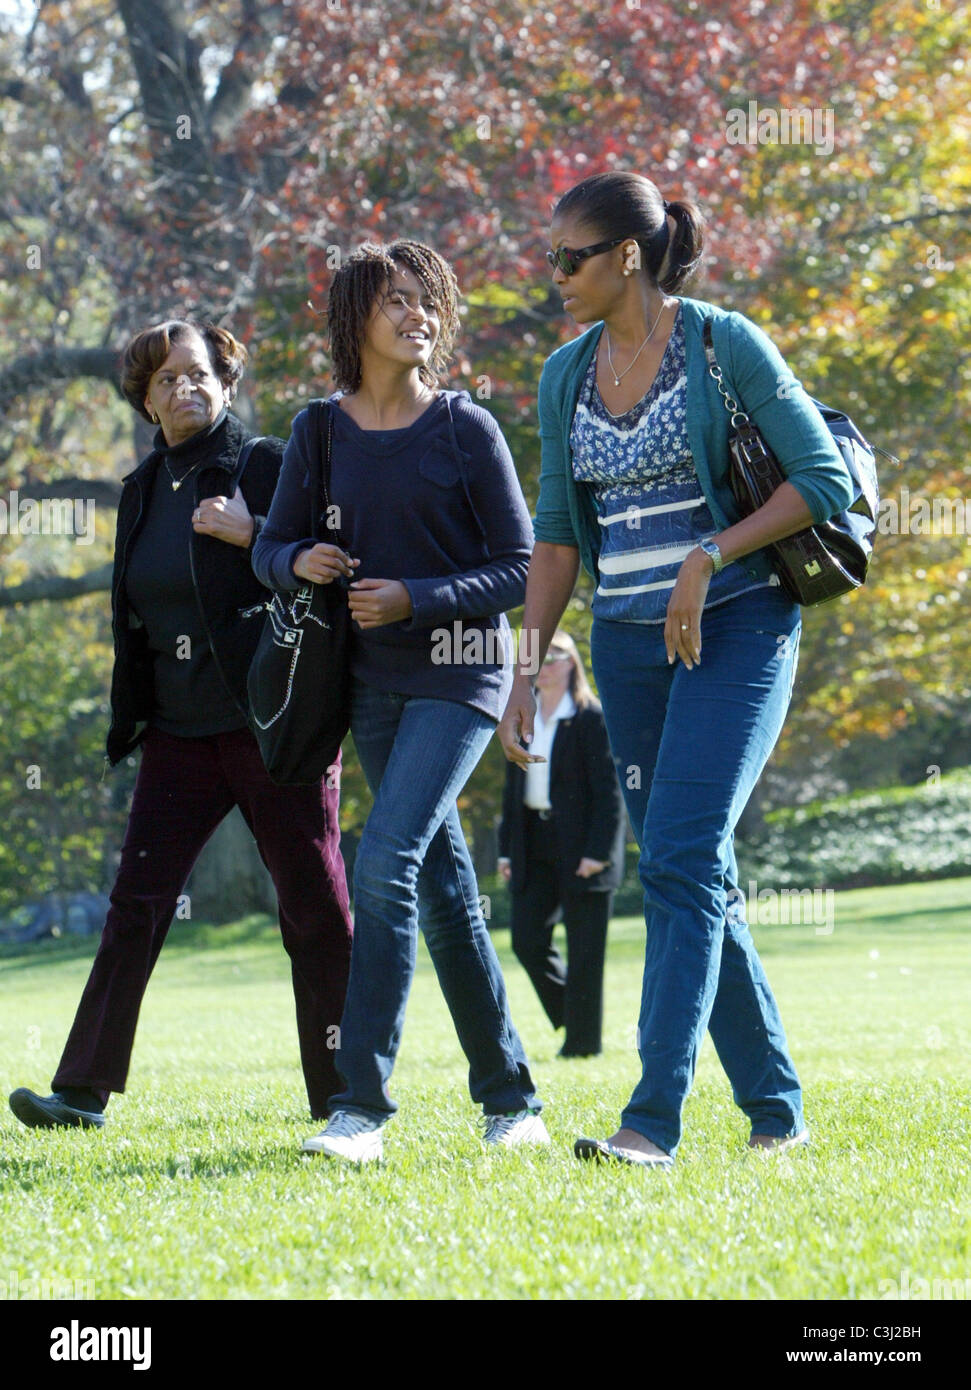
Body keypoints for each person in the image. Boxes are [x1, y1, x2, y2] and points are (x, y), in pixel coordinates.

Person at [498, 171, 854, 1168]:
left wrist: (709, 553)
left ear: (624, 257)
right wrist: (525, 672)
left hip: (738, 626)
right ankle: (776, 1112)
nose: (554, 274)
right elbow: (559, 537)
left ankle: (650, 1117)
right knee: (687, 866)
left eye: (569, 257)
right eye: (549, 256)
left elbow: (819, 481)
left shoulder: (718, 342)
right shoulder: (562, 374)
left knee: (682, 857)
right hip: (626, 644)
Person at [9, 319, 353, 1132]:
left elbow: (331, 561)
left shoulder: (266, 463)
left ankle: (344, 1097)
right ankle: (82, 1091)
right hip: (177, 734)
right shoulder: (138, 490)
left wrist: (252, 534)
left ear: (226, 383)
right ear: (145, 401)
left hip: (272, 725)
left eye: (199, 375)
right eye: (165, 381)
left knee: (314, 905)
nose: (184, 389)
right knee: (136, 903)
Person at [253, 240, 547, 1163]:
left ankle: (361, 1111)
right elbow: (268, 549)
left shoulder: (466, 430)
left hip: (462, 673)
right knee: (444, 889)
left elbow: (520, 565)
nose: (416, 315)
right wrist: (295, 558)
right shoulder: (318, 433)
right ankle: (512, 1104)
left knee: (381, 860)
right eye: (395, 302)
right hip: (372, 688)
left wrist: (417, 596)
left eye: (426, 301)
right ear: (354, 321)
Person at [498, 629, 626, 1057]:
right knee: (527, 939)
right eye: (538, 658)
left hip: (583, 846)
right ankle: (576, 1017)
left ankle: (582, 1044)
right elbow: (509, 792)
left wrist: (600, 853)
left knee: (586, 950)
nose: (545, 665)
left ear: (572, 663)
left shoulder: (593, 718)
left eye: (554, 657)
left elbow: (611, 793)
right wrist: (505, 850)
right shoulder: (521, 714)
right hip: (532, 840)